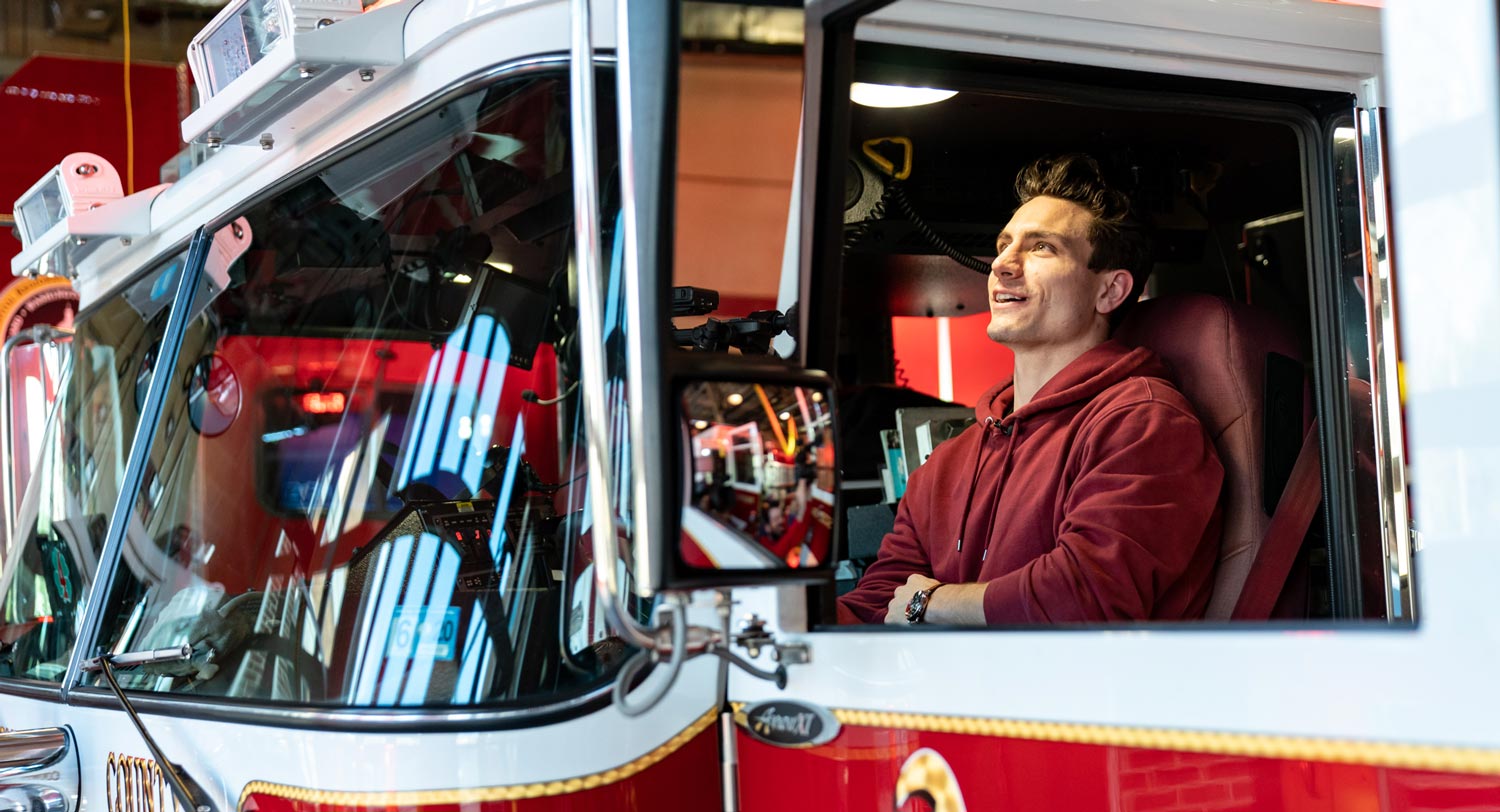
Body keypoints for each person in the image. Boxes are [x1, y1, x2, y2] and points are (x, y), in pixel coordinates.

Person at [837, 154, 1224, 626]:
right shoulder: (948, 463)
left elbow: (1088, 596)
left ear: (1111, 291)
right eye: (1004, 244)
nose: (1002, 264)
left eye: (1042, 247)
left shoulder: (1145, 424)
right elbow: (878, 602)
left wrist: (932, 603)